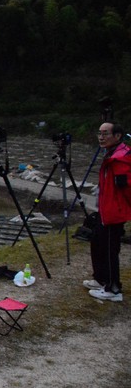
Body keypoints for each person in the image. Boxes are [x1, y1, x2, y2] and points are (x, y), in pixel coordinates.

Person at [84, 121, 131, 302]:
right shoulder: (112, 153)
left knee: (111, 250)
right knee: (97, 243)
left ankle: (113, 288)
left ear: (117, 136)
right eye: (100, 133)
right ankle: (101, 279)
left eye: (106, 134)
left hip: (114, 212)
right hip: (105, 210)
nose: (101, 137)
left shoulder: (120, 158)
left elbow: (126, 187)